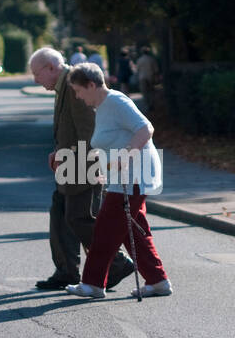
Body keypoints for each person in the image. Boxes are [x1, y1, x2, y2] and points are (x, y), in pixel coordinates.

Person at [28, 48, 136, 291]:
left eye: (37, 74)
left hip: (83, 164)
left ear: (51, 68)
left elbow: (89, 132)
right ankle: (67, 271)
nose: (35, 80)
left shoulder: (72, 83)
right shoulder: (62, 84)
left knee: (79, 218)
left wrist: (73, 157)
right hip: (70, 163)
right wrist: (59, 152)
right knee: (59, 214)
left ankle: (117, 262)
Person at [63, 62, 171, 299]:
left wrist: (126, 155)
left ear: (91, 85)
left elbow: (145, 128)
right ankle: (158, 280)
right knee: (131, 230)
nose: (78, 97)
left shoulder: (117, 102)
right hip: (121, 177)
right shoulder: (102, 108)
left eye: (79, 91)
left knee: (104, 229)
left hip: (133, 176)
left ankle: (92, 283)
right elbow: (110, 142)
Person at [134, 45, 159, 114]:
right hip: (150, 77)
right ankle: (151, 104)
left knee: (144, 92)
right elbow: (156, 69)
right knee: (151, 91)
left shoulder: (139, 60)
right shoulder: (151, 59)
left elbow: (137, 70)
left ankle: (147, 104)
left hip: (142, 77)